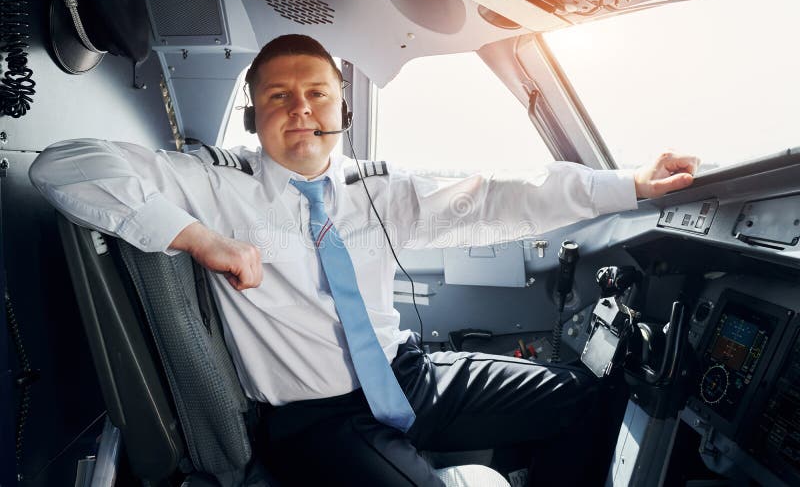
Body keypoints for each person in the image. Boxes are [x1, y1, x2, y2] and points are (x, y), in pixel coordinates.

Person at [29, 34, 699, 486]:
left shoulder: (381, 193)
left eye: (316, 93)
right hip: (315, 419)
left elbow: (503, 198)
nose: (300, 110)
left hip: (410, 378)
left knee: (587, 396)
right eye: (277, 97)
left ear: (342, 106)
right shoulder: (213, 189)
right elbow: (66, 165)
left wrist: (630, 184)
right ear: (253, 118)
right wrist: (200, 239)